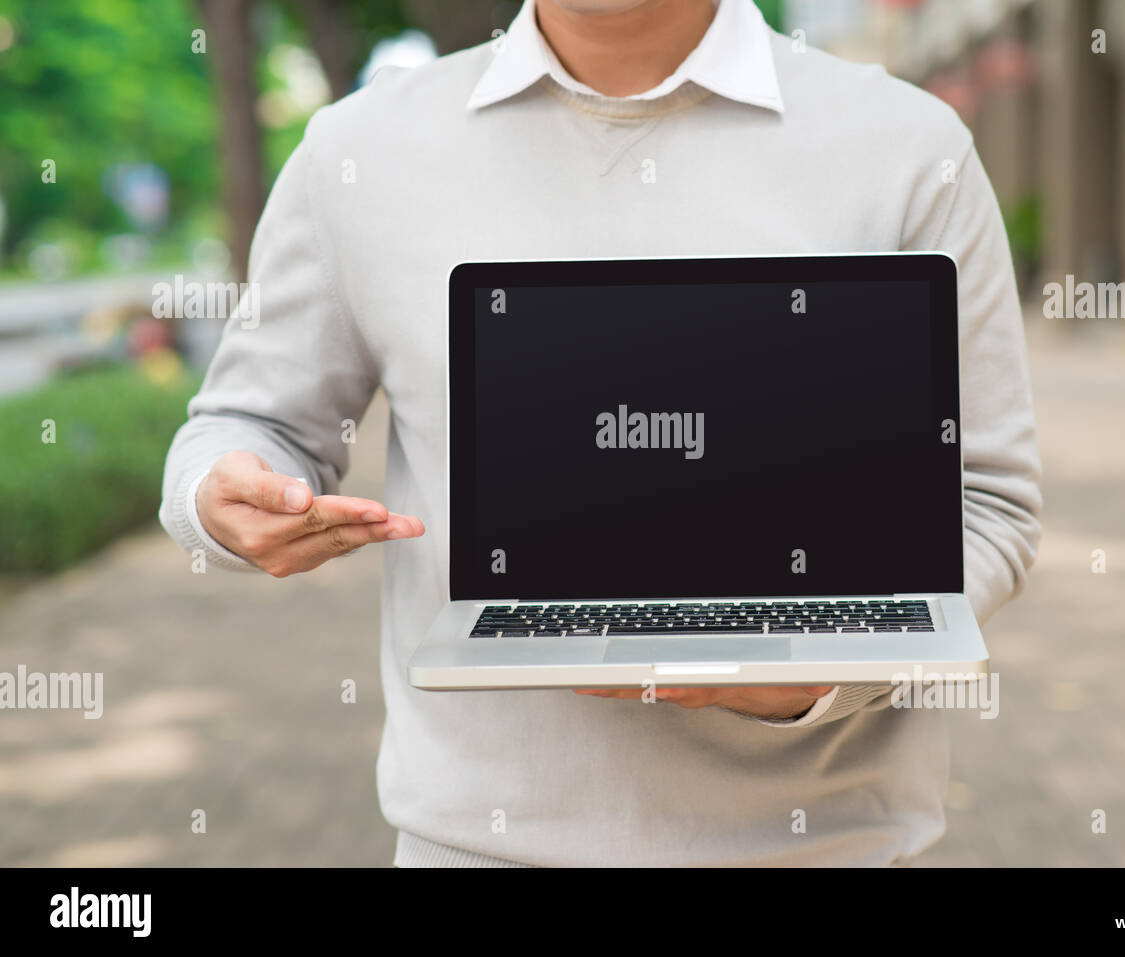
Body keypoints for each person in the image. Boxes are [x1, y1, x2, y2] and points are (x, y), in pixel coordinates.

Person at [160, 0, 1042, 866]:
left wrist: (820, 673)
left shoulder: (908, 148)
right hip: (477, 848)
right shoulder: (360, 153)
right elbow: (250, 420)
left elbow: (987, 505)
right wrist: (221, 495)